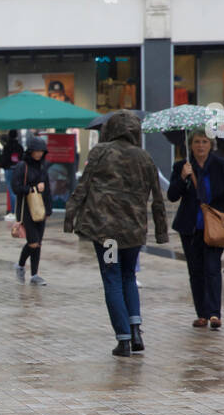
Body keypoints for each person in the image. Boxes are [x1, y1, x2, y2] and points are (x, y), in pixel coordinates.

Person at [62, 110, 168, 356]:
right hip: (134, 232)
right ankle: (135, 330)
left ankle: (123, 340)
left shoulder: (100, 152)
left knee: (112, 278)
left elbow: (83, 186)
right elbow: (158, 199)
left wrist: (70, 217)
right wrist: (161, 233)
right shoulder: (145, 157)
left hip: (106, 233)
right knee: (128, 276)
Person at [168, 131, 224, 329]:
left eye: (204, 142)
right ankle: (201, 314)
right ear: (190, 145)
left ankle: (214, 313)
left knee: (212, 269)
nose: (200, 146)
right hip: (190, 226)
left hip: (215, 226)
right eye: (196, 142)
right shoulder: (182, 166)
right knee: (195, 271)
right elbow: (172, 196)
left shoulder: (222, 165)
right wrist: (182, 178)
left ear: (210, 145)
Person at [11, 134, 51, 284]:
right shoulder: (23, 166)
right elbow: (16, 187)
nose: (39, 153)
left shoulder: (43, 166)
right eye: (37, 150)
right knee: (33, 242)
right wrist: (33, 188)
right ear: (31, 151)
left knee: (38, 243)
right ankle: (21, 266)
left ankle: (34, 275)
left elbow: (47, 190)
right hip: (26, 209)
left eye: (42, 151)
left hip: (40, 208)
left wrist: (48, 210)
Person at [0, 131, 24, 215]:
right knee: (18, 190)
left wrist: (4, 166)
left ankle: (13, 211)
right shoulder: (19, 147)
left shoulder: (7, 147)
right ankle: (19, 210)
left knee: (11, 190)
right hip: (18, 170)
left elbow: (3, 159)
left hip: (9, 170)